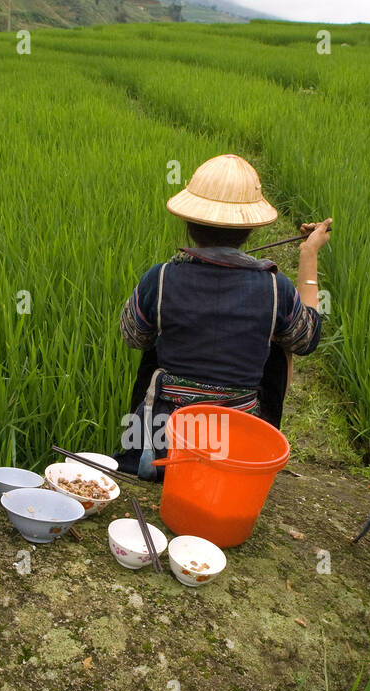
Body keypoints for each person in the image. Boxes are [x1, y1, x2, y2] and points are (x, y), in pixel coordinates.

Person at [116, 153, 330, 477]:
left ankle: (142, 455)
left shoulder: (160, 278)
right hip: (234, 452)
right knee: (277, 343)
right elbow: (307, 338)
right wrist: (308, 254)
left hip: (164, 449)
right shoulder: (275, 289)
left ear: (189, 223)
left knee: (155, 344)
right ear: (250, 229)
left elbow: (132, 335)